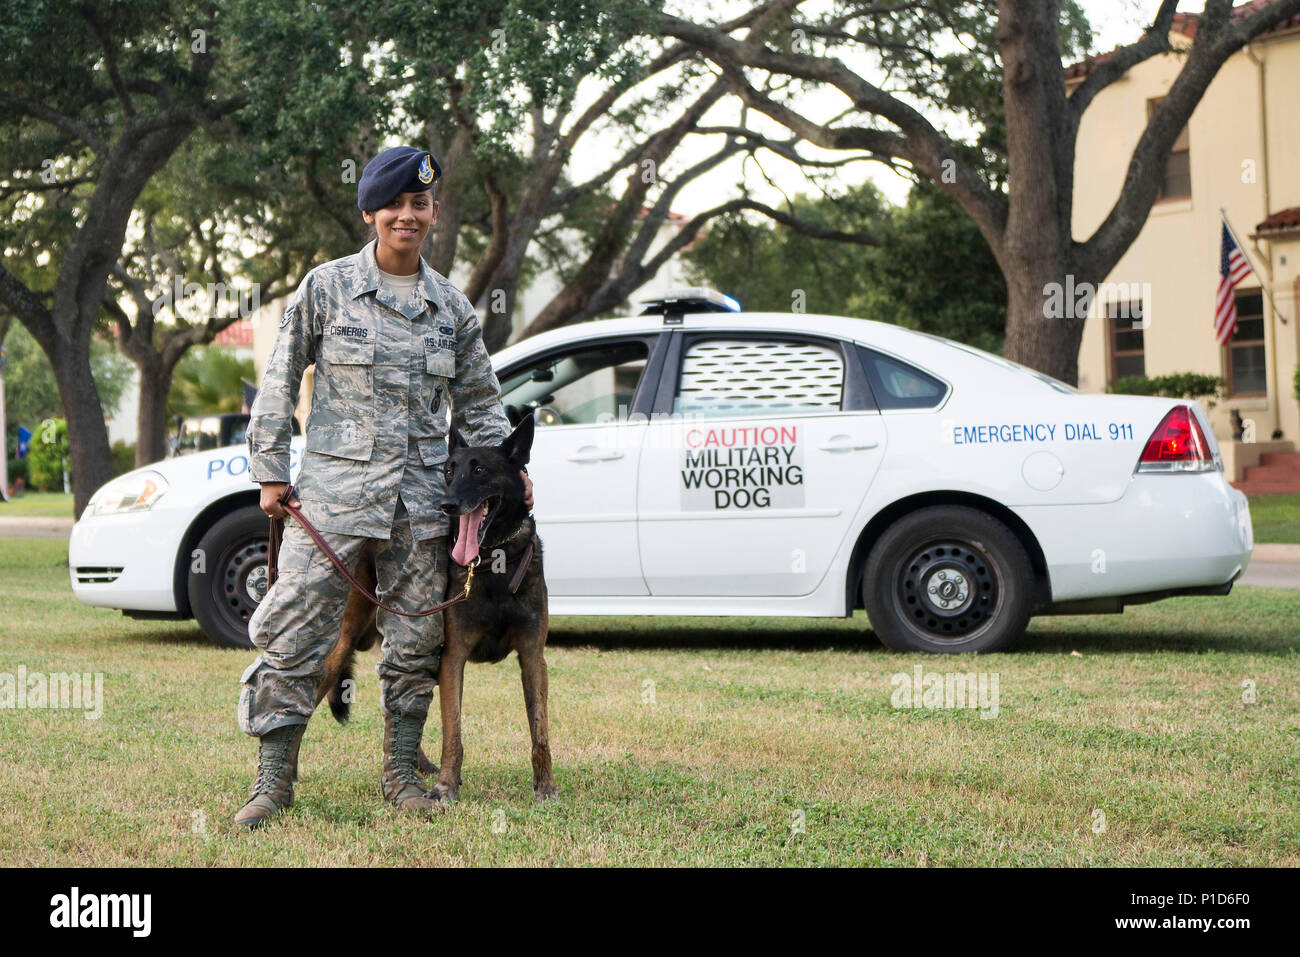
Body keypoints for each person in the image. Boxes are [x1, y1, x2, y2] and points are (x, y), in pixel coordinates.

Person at [235, 145, 533, 829]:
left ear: (432, 213)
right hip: (331, 498)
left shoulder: (451, 308)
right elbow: (279, 379)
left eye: (420, 204)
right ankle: (273, 781)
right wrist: (271, 472)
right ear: (371, 211)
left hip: (423, 503)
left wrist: (515, 479)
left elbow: (484, 408)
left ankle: (401, 773)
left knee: (415, 641)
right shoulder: (326, 288)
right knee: (294, 632)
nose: (408, 215)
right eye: (394, 204)